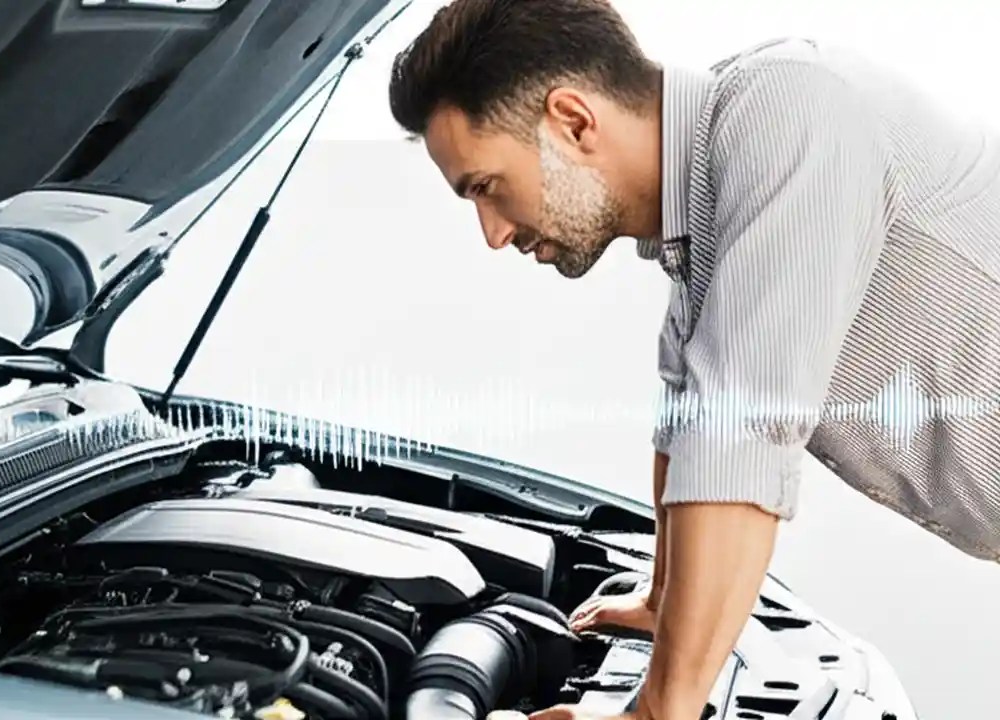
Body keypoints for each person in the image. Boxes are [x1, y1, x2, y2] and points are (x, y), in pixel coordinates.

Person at [387, 0, 1000, 718]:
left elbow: (739, 431)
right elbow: (689, 412)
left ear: (573, 122)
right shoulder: (713, 191)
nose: (492, 233)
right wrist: (664, 599)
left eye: (486, 187)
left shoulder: (793, 113)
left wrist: (659, 709)